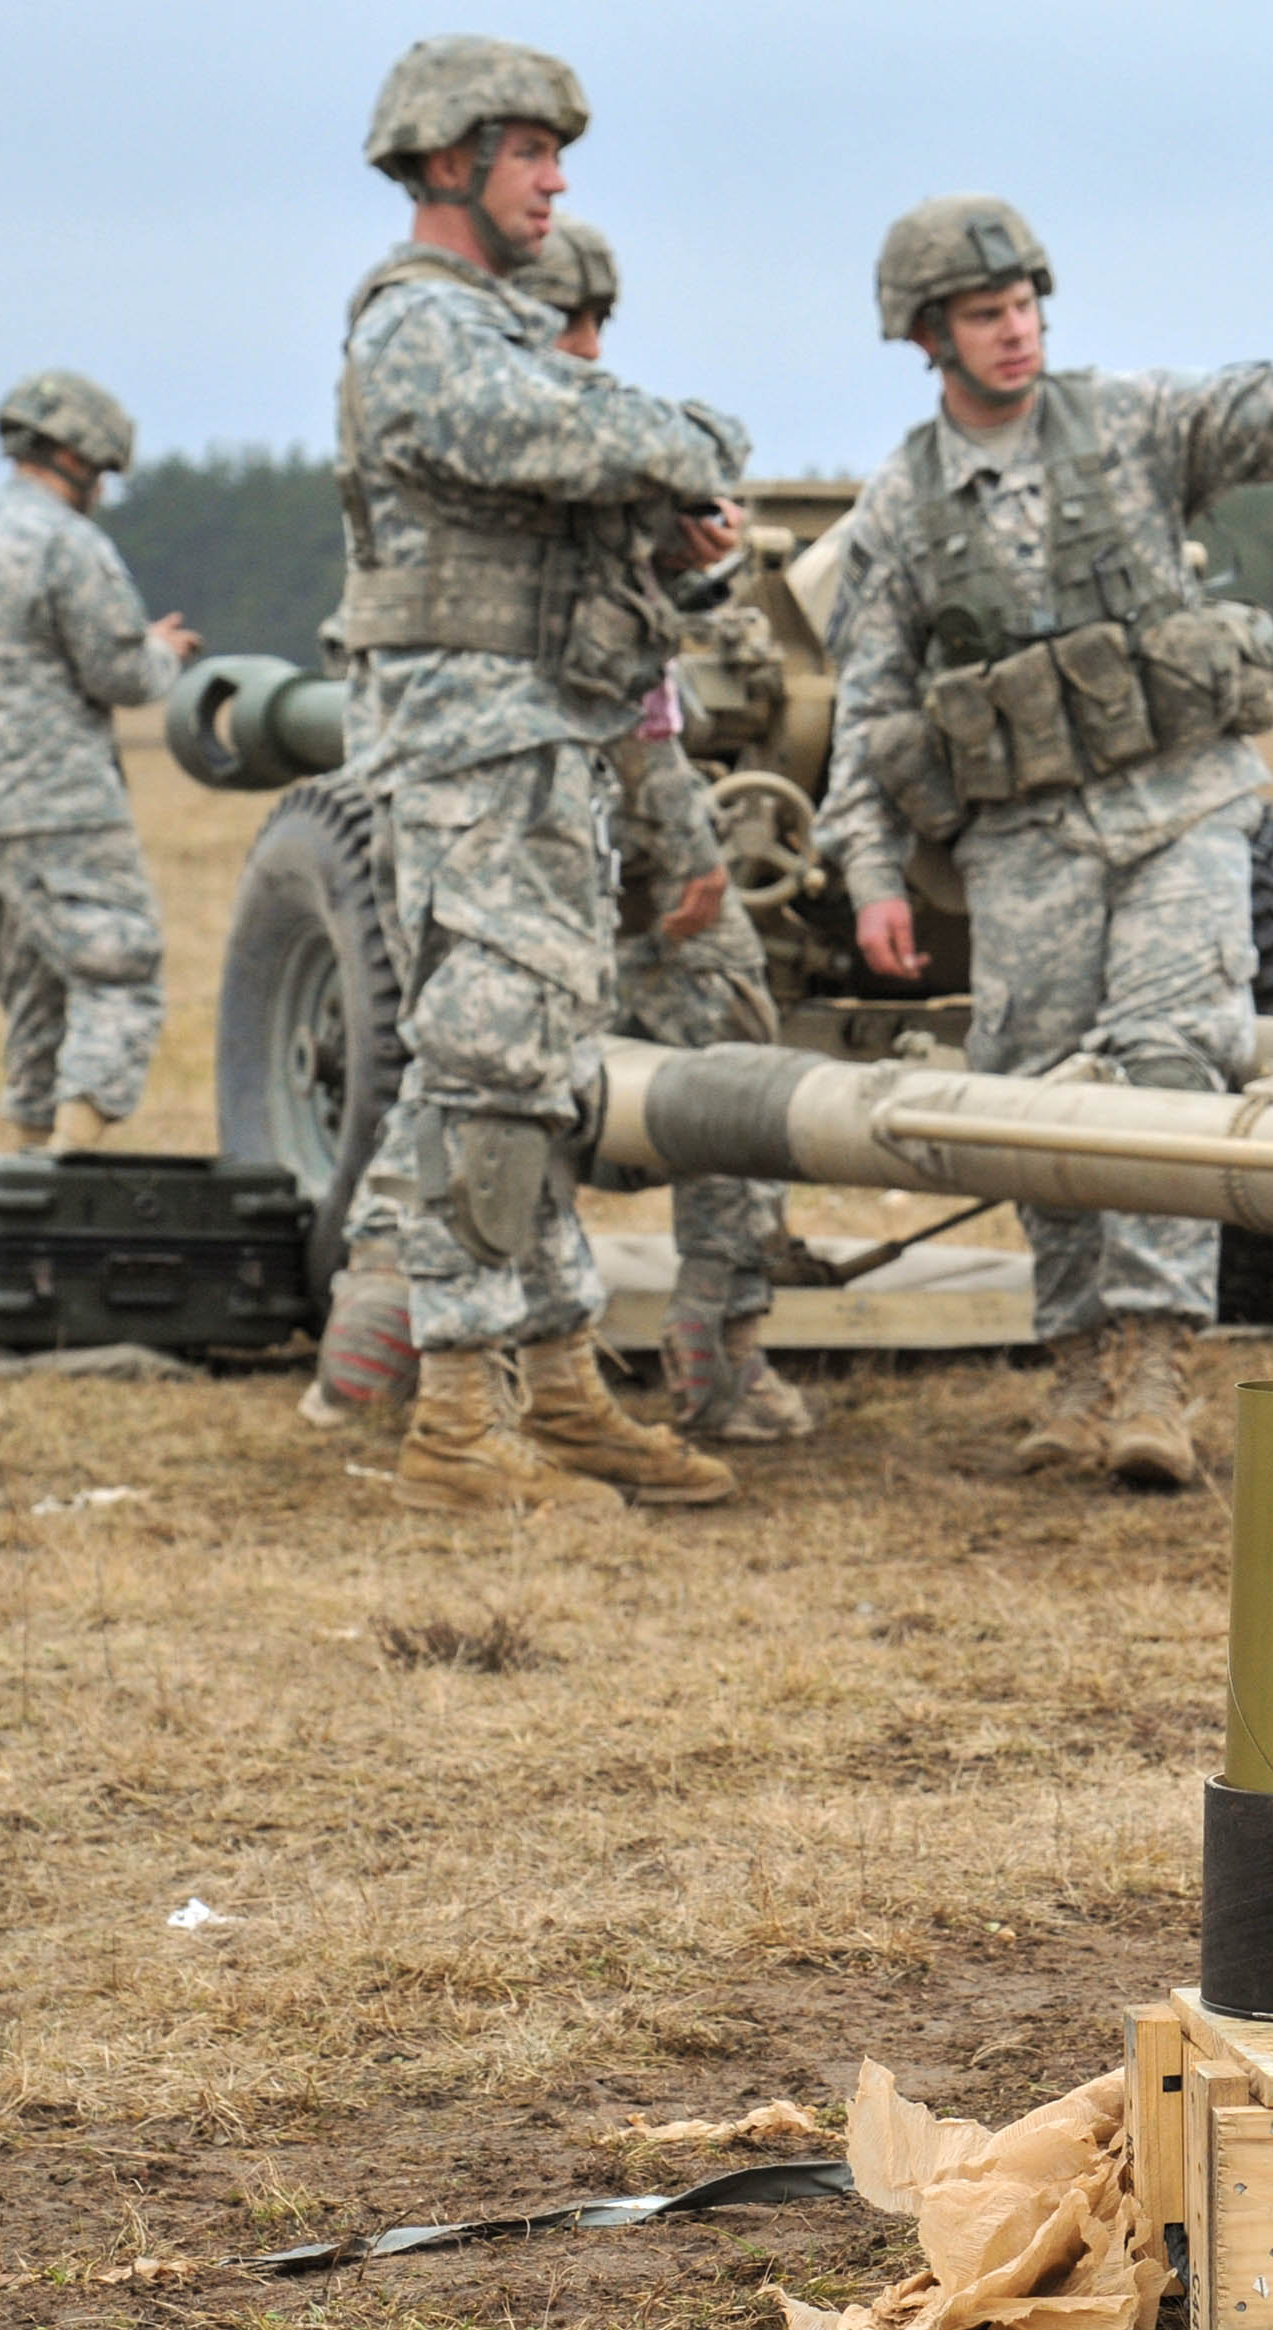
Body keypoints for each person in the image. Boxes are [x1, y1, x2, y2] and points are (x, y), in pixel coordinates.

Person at [818, 192, 1273, 1487]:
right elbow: (867, 713)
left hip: (1182, 804)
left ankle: (1153, 1371)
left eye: (1025, 305)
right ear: (928, 336)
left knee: (1169, 1064)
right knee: (1032, 1091)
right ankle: (1077, 1369)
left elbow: (1265, 408)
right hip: (1024, 841)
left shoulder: (1130, 424)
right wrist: (868, 878)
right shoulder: (902, 510)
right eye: (984, 314)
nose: (1015, 331)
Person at [335, 35, 755, 1516]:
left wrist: (665, 540)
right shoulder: (422, 329)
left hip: (544, 746)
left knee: (545, 1079)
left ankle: (561, 1384)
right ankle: (457, 1421)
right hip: (474, 754)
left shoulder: (499, 328)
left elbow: (571, 490)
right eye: (530, 156)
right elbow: (571, 430)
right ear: (449, 161)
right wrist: (689, 444)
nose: (555, 183)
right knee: (485, 1079)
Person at [520, 216, 814, 1442]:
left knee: (483, 1074)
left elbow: (650, 608)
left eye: (596, 323)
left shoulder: (476, 444)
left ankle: (413, 1349)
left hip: (562, 808)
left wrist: (697, 560)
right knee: (730, 1055)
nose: (586, 346)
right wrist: (679, 838)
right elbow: (618, 680)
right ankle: (708, 1355)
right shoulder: (559, 446)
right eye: (562, 321)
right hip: (580, 807)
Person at [0, 371, 199, 1152]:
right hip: (61, 800)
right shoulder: (68, 546)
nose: (103, 489)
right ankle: (69, 1175)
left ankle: (24, 1171)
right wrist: (163, 653)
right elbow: (121, 676)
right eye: (103, 472)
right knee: (119, 973)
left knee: (36, 996)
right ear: (75, 456)